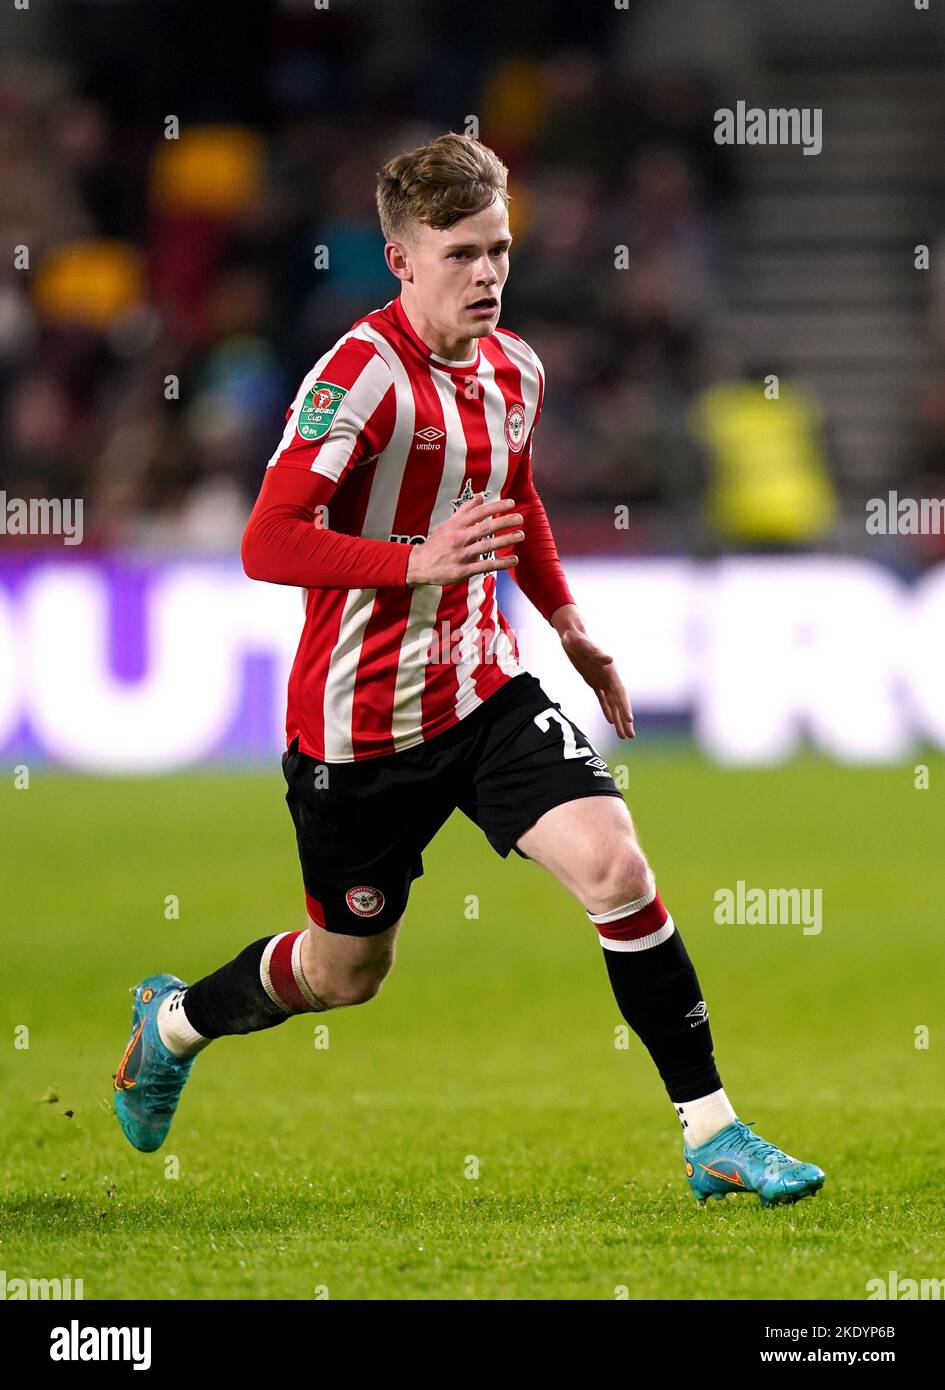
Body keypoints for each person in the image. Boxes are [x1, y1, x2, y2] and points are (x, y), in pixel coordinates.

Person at [114, 133, 825, 1208]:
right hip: (357, 731)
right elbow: (268, 539)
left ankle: (713, 1131)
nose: (488, 273)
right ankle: (171, 1027)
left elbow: (518, 498)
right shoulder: (358, 377)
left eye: (499, 250)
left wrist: (571, 626)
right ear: (401, 260)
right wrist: (416, 560)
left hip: (486, 692)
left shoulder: (516, 369)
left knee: (617, 867)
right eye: (462, 254)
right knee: (345, 970)